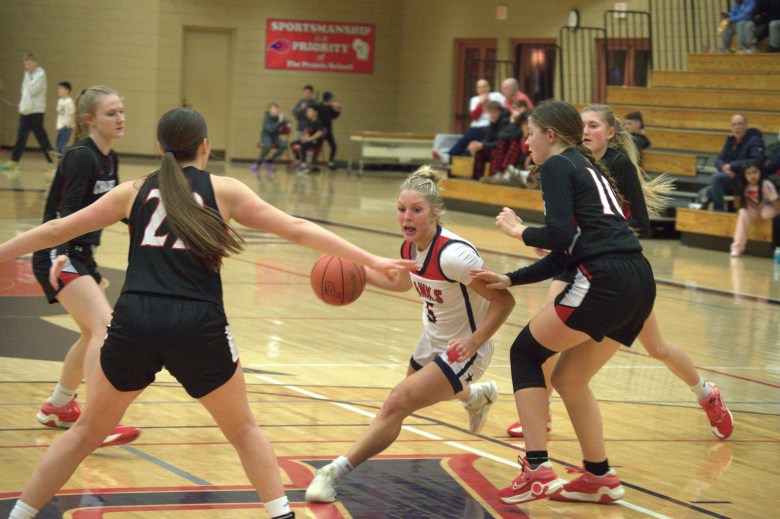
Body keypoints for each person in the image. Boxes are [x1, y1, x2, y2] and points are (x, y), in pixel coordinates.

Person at [2, 107, 416, 519]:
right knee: (244, 431)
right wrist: (373, 260)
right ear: (205, 146)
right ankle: (281, 516)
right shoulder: (225, 190)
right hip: (197, 322)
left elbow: (56, 230)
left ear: (161, 148)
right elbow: (298, 229)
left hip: (136, 319)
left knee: (84, 433)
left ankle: (20, 515)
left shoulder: (134, 190)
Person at [504, 104, 734, 443]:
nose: (586, 131)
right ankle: (542, 409)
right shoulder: (564, 163)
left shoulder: (614, 165)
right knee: (545, 335)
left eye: (594, 125)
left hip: (610, 265)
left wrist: (593, 235)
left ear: (610, 133)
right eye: (581, 125)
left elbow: (640, 222)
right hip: (576, 263)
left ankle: (705, 393)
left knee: (656, 347)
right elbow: (562, 229)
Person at [471, 100, 656, 505]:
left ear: (550, 135)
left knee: (525, 353)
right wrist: (511, 279)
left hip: (604, 279)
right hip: (639, 280)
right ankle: (598, 475)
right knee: (570, 380)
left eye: (529, 134)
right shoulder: (586, 166)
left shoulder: (557, 166)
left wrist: (519, 231)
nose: (525, 143)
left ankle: (537, 468)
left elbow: (556, 235)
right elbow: (567, 251)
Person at [305, 166, 515, 504]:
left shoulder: (455, 256)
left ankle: (333, 472)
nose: (407, 216)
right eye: (402, 209)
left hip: (465, 350)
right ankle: (476, 397)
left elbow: (504, 301)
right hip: (431, 339)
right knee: (408, 401)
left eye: (416, 210)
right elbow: (401, 282)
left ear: (434, 213)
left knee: (396, 403)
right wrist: (357, 272)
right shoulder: (410, 246)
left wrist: (473, 343)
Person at [32, 85, 140, 448]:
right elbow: (67, 213)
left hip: (81, 253)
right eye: (111, 113)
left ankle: (59, 407)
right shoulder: (81, 156)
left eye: (122, 110)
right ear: (89, 119)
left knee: (89, 332)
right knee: (104, 327)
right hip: (58, 251)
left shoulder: (109, 158)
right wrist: (61, 252)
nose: (120, 118)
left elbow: (112, 208)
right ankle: (97, 421)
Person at [699, 114, 765, 212]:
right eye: (734, 125)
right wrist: (724, 169)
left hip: (745, 178)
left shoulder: (755, 140)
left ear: (746, 126)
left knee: (716, 178)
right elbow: (718, 160)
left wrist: (732, 166)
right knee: (703, 193)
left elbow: (757, 160)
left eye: (740, 124)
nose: (737, 127)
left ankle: (718, 210)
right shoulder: (730, 141)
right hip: (730, 177)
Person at [2, 53, 55, 173]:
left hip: (36, 111)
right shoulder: (27, 74)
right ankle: (14, 161)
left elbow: (32, 90)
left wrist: (29, 78)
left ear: (35, 63)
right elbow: (24, 92)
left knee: (42, 138)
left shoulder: (40, 74)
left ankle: (52, 162)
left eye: (29, 64)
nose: (27, 66)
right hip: (25, 111)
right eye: (25, 64)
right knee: (21, 136)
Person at [432, 79, 505, 165]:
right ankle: (449, 157)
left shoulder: (497, 96)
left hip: (490, 125)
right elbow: (474, 117)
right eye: (480, 87)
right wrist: (481, 103)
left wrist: (488, 101)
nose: (483, 89)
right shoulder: (475, 100)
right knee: (465, 140)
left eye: (485, 86)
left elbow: (503, 109)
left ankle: (449, 157)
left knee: (471, 140)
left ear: (489, 87)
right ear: (477, 90)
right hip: (476, 126)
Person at [731, 161, 780, 256]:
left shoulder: (766, 184)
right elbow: (747, 200)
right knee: (743, 212)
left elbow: (776, 202)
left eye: (755, 172)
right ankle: (737, 247)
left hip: (772, 207)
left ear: (760, 172)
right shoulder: (744, 186)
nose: (752, 176)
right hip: (757, 208)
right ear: (744, 175)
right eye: (748, 173)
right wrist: (755, 208)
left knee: (765, 214)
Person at [469, 101, 521, 180]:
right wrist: (478, 146)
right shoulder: (492, 123)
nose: (491, 115)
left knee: (494, 152)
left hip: (504, 151)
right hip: (495, 148)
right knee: (479, 152)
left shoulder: (505, 122)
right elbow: (487, 140)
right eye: (490, 113)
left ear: (499, 112)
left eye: (494, 112)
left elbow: (500, 143)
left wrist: (482, 145)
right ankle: (476, 179)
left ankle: (492, 177)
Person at [250, 102, 289, 178]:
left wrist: (287, 122)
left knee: (284, 146)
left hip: (275, 136)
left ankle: (270, 160)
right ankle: (258, 162)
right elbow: (270, 129)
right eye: (273, 109)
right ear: (269, 110)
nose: (275, 111)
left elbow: (287, 121)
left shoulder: (279, 117)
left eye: (277, 110)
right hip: (266, 135)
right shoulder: (267, 117)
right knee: (267, 146)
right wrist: (280, 122)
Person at [290, 105, 325, 174]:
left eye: (309, 111)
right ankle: (298, 160)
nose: (307, 113)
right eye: (307, 111)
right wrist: (303, 138)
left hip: (316, 142)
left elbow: (319, 133)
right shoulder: (309, 122)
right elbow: (307, 132)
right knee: (293, 143)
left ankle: (304, 166)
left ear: (315, 113)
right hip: (309, 140)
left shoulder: (319, 122)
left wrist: (308, 139)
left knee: (303, 145)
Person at [319, 91, 342, 170]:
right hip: (320, 130)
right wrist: (332, 104)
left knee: (334, 146)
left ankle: (330, 162)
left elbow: (334, 116)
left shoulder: (330, 107)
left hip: (328, 130)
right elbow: (323, 104)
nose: (332, 100)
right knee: (317, 147)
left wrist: (338, 110)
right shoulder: (321, 105)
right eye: (331, 99)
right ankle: (313, 163)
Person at [54, 81, 76, 156]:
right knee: (58, 147)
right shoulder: (60, 101)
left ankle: (65, 162)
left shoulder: (69, 101)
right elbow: (60, 114)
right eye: (58, 88)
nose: (59, 90)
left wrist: (69, 124)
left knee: (61, 148)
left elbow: (73, 113)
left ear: (67, 90)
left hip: (66, 127)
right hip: (61, 126)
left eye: (61, 88)